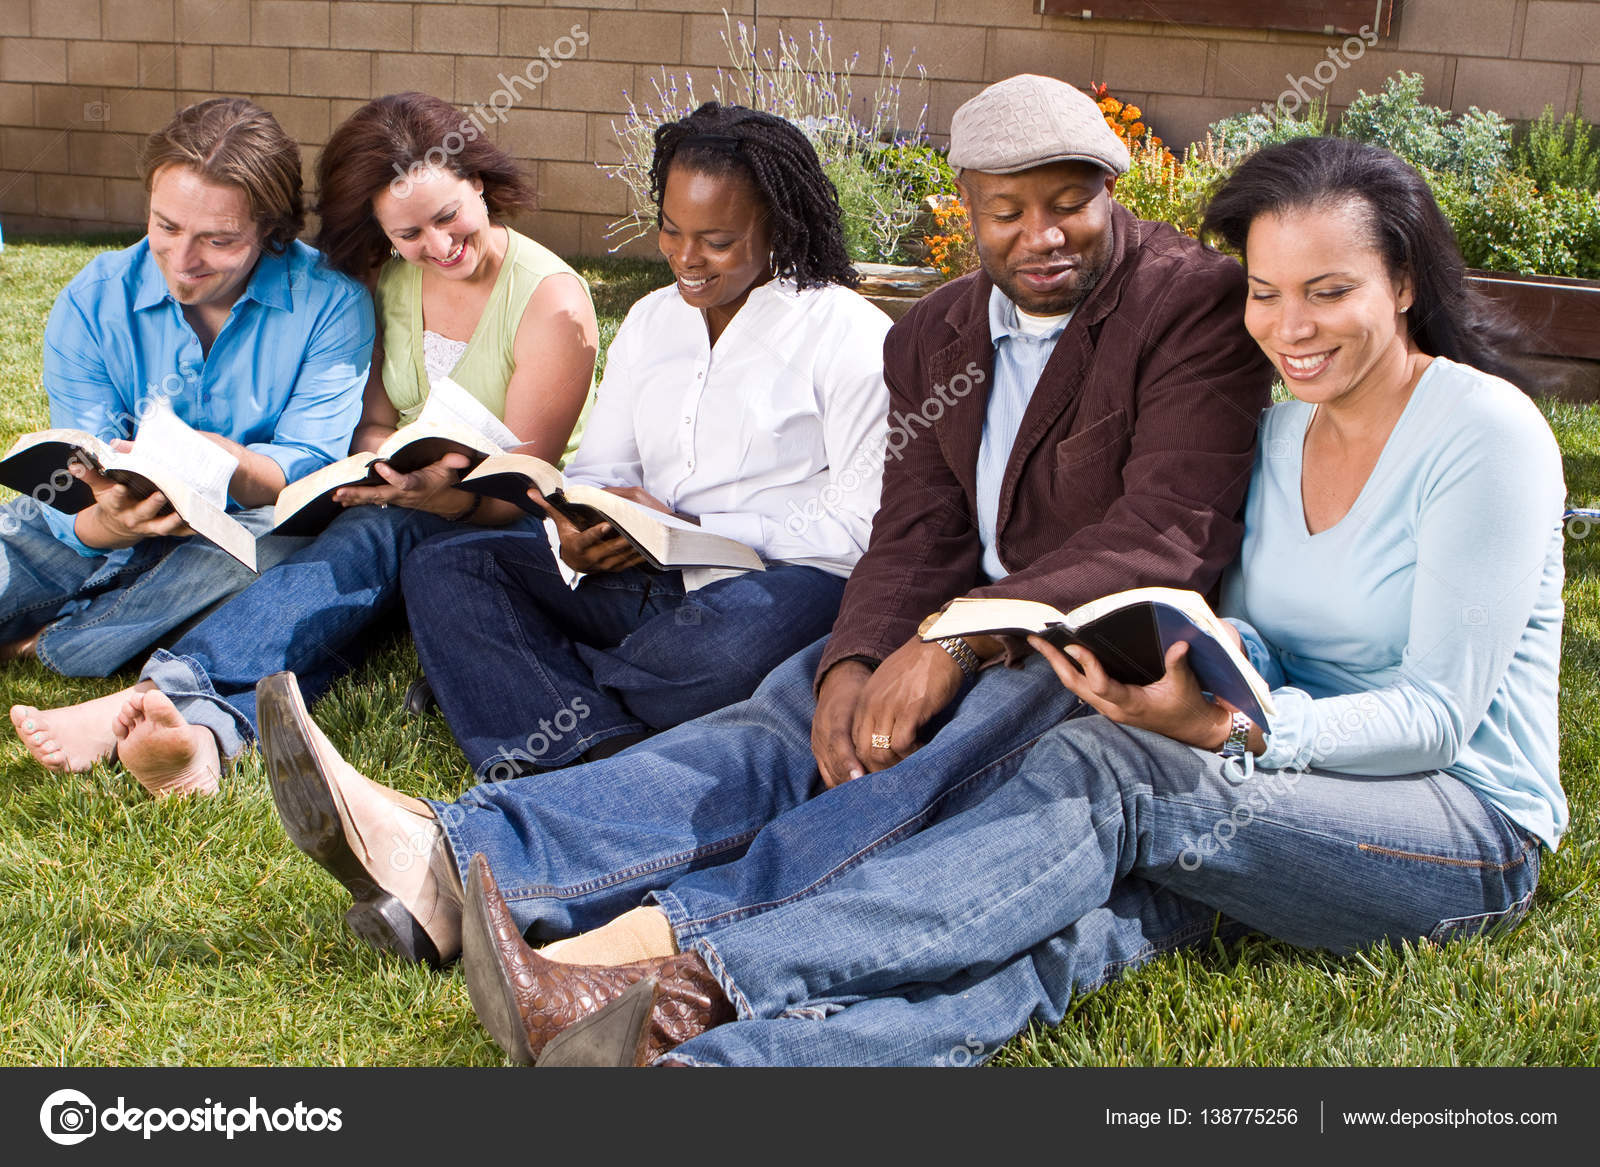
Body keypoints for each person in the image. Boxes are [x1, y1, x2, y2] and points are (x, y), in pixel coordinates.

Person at [454, 135, 1568, 1067]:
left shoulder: (1482, 436)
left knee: (1121, 776)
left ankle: (689, 966)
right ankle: (709, 1059)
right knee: (1064, 924)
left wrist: (1241, 730)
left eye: (1330, 292)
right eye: (1266, 295)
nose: (1290, 327)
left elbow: (1434, 718)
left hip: (1452, 826)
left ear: (1405, 283)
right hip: (1276, 788)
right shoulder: (1283, 425)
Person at [258, 74, 1275, 976]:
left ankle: (642, 945)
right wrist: (854, 660)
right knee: (771, 735)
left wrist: (952, 636)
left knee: (827, 734)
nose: (1039, 235)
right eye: (1006, 210)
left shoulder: (1187, 306)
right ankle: (448, 859)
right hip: (897, 618)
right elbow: (915, 525)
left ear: (1113, 189)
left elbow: (1163, 527)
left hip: (1089, 654)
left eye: (1067, 204)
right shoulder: (939, 329)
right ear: (963, 209)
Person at [11, 92, 597, 798]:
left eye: (447, 217)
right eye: (166, 227)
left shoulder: (534, 301)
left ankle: (151, 687)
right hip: (159, 520)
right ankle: (112, 665)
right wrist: (99, 520)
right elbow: (372, 422)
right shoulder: (387, 279)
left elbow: (511, 481)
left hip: (409, 519)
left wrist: (436, 494)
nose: (437, 247)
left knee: (302, 563)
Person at [399, 101, 893, 778]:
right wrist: (575, 535)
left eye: (716, 240)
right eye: (670, 230)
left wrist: (696, 525)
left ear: (778, 224)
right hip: (642, 570)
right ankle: (602, 740)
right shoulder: (651, 320)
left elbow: (861, 525)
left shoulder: (850, 336)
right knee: (448, 567)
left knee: (722, 659)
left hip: (775, 583)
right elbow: (599, 467)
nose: (685, 259)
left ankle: (525, 691)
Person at [1, 97, 371, 684]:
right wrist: (112, 524)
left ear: (271, 232)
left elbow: (310, 463)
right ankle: (113, 620)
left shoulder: (332, 302)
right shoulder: (92, 299)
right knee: (16, 535)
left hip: (236, 532)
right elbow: (70, 483)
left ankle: (59, 644)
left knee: (276, 557)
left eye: (218, 240)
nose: (182, 261)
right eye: (165, 227)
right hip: (95, 526)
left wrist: (217, 464)